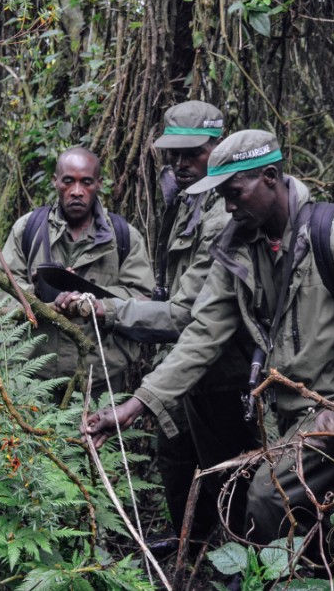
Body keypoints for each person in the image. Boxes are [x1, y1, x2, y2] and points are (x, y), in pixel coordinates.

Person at [82, 130, 334, 550]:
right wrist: (134, 406)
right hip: (282, 410)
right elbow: (202, 332)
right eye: (222, 198)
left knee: (268, 499)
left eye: (235, 194)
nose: (229, 208)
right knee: (280, 511)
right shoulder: (237, 245)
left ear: (270, 177)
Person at [55, 102, 257, 546]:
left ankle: (237, 555)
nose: (181, 165)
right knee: (176, 451)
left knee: (230, 469)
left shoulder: (223, 214)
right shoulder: (190, 203)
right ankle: (192, 539)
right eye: (174, 156)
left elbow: (188, 312)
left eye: (193, 154)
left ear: (217, 148)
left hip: (224, 364)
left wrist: (105, 308)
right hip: (189, 363)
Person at [1, 146, 154, 394]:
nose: (77, 192)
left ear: (99, 184)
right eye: (68, 181)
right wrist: (39, 296)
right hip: (35, 373)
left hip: (101, 374)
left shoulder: (124, 237)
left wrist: (90, 302)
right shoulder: (28, 230)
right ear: (55, 182)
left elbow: (143, 299)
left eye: (86, 182)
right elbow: (0, 291)